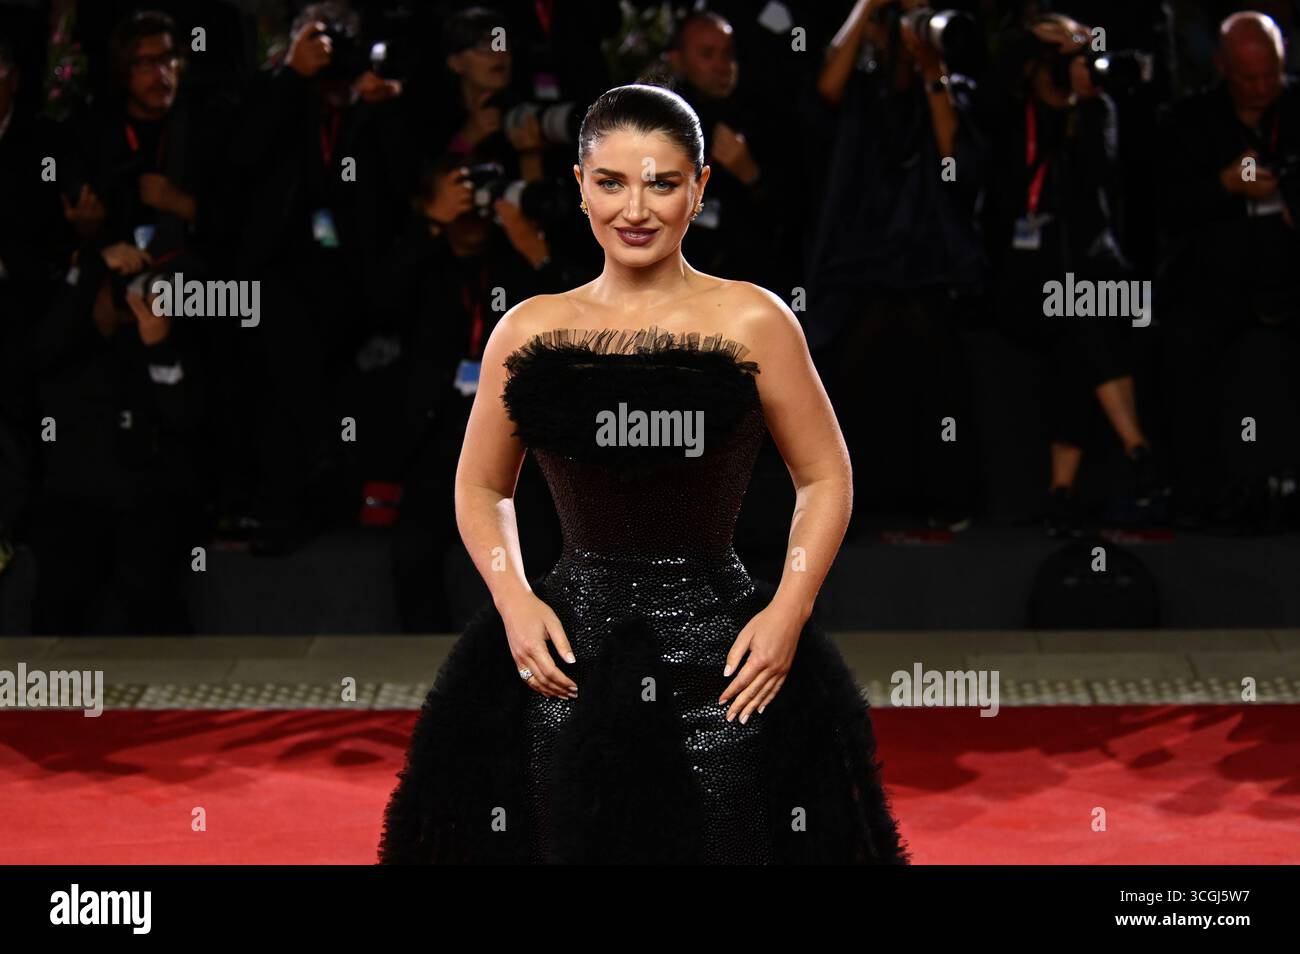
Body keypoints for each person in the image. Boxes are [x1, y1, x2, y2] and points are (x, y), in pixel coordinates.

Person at [378, 83, 909, 864]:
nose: (637, 208)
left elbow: (826, 476)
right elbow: (482, 487)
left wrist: (789, 610)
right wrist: (515, 600)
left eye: (662, 183)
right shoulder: (530, 327)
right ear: (581, 187)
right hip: (562, 662)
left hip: (728, 667)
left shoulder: (754, 320)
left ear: (699, 189)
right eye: (613, 182)